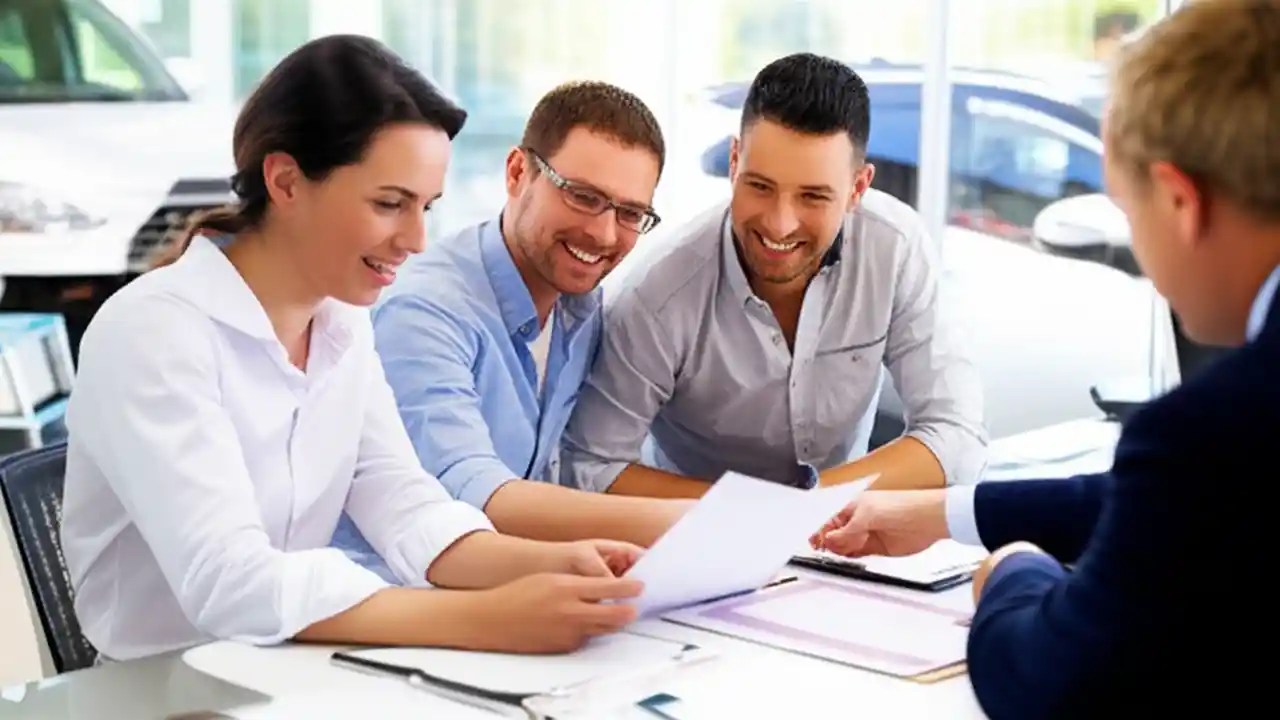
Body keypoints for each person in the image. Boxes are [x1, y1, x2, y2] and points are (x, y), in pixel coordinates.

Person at [59, 35, 643, 663]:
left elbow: (400, 498)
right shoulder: (153, 332)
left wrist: (552, 564)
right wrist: (481, 616)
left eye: (427, 207)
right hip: (160, 688)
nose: (417, 240)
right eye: (390, 204)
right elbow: (229, 582)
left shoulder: (341, 320)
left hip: (293, 672)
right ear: (285, 181)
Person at [812, 2, 1278, 716]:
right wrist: (944, 514)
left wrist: (1010, 573)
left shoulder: (1215, 427)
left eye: (1129, 210)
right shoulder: (1218, 447)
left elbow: (1047, 683)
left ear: (1182, 203)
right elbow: (1162, 505)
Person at [560, 52, 987, 499]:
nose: (780, 224)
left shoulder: (895, 248)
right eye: (760, 186)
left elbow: (957, 435)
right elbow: (590, 464)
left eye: (813, 197)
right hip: (690, 536)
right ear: (733, 161)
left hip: (845, 528)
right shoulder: (658, 295)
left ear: (858, 188)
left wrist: (805, 506)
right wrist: (747, 515)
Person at [339, 80, 688, 553]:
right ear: (518, 172)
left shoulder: (582, 308)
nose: (604, 234)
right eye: (583, 196)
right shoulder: (425, 310)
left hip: (504, 585)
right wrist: (708, 519)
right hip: (386, 599)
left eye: (630, 213)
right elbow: (475, 495)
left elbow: (574, 471)